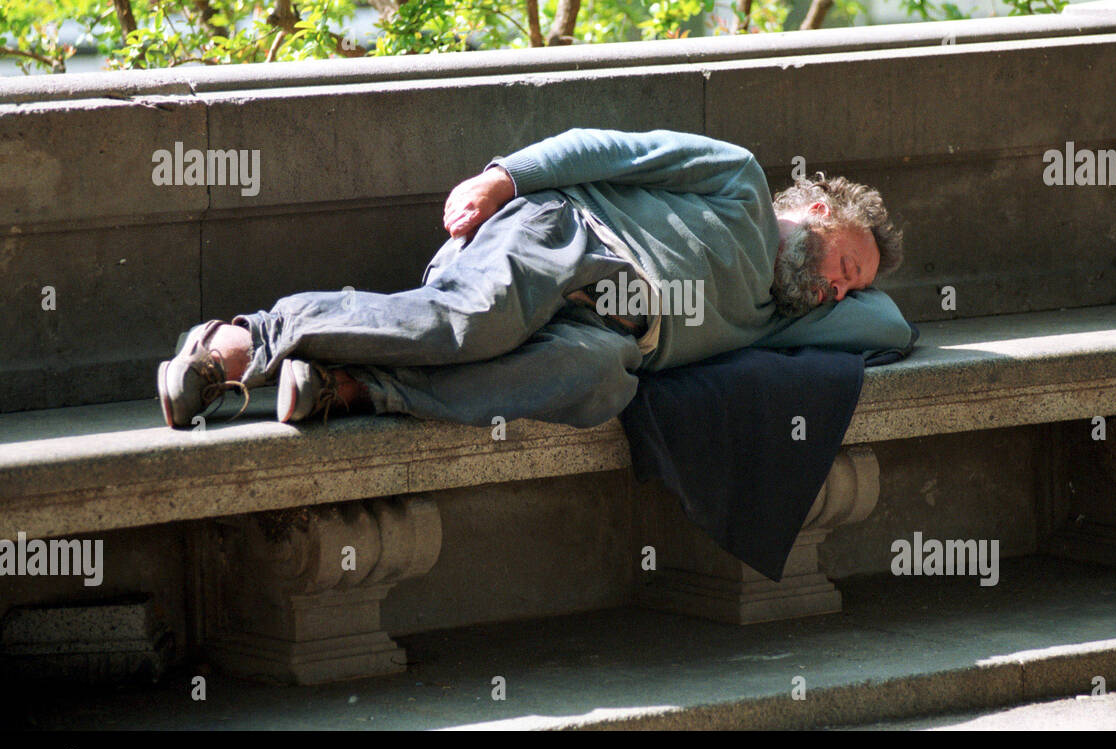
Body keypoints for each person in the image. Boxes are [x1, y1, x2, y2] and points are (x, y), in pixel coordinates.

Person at [157, 128, 911, 430]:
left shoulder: (780, 312)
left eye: (849, 288)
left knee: (597, 383)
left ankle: (345, 383)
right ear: (817, 208)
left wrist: (851, 287)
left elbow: (890, 328)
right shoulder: (740, 181)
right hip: (567, 239)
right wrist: (505, 179)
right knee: (473, 323)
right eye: (846, 265)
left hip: (607, 334)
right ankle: (241, 340)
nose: (838, 290)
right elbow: (612, 148)